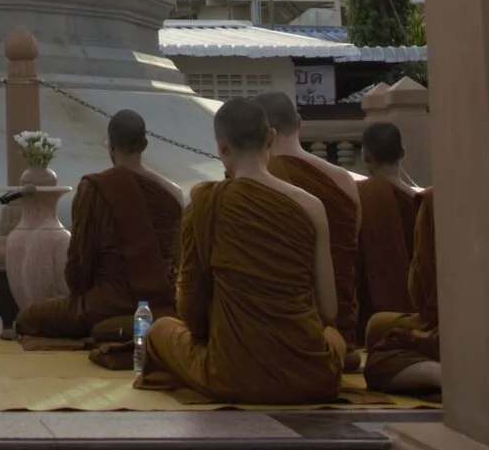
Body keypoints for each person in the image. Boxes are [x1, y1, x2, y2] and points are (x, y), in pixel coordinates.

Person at [140, 96, 344, 405]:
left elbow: (190, 309)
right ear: (271, 138)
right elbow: (329, 310)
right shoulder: (311, 206)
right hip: (309, 373)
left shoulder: (205, 204)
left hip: (231, 374)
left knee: (160, 331)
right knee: (336, 341)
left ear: (221, 146)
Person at [13, 108, 184, 341]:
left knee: (28, 316)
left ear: (111, 145)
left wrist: (79, 295)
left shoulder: (95, 188)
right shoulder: (173, 193)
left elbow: (79, 262)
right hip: (160, 306)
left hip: (105, 304)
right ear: (145, 144)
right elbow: (179, 259)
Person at [256, 89, 362, 351]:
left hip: (275, 331)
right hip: (337, 330)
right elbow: (352, 242)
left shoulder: (253, 183)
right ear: (299, 122)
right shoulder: (344, 180)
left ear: (261, 133)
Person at [363, 188, 442, 394]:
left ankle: (443, 375)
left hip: (454, 328)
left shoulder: (435, 199)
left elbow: (422, 286)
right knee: (377, 326)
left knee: (380, 359)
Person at [352, 120, 423, 331]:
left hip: (371, 319)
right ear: (402, 152)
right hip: (419, 312)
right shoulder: (423, 203)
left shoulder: (357, 197)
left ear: (366, 157)